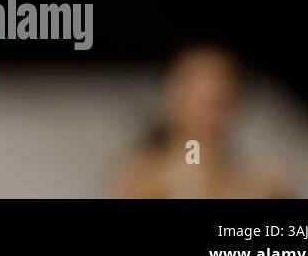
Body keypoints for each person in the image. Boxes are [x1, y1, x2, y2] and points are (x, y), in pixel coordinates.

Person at [113, 43, 293, 198]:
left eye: (218, 102)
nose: (208, 118)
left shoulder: (256, 178)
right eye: (200, 101)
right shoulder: (144, 176)